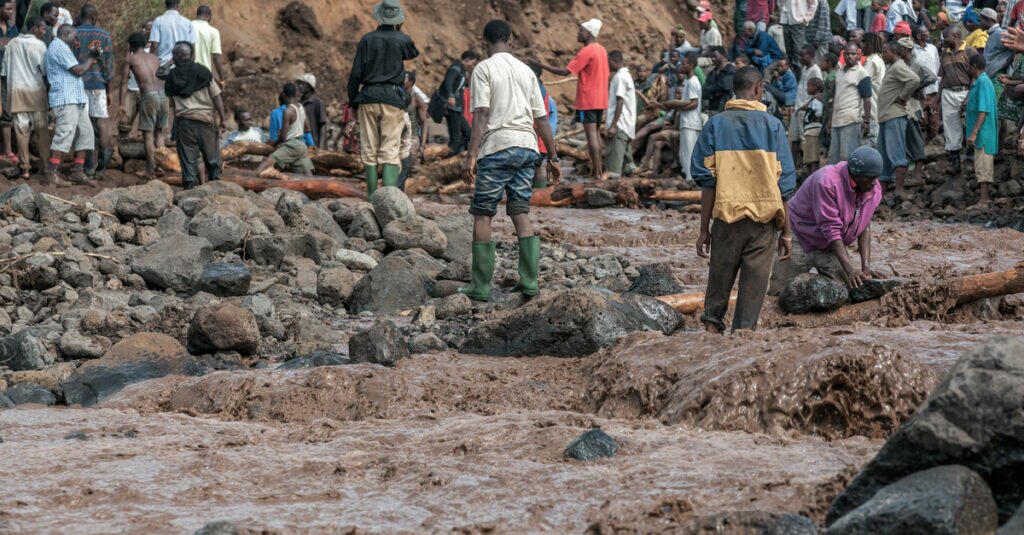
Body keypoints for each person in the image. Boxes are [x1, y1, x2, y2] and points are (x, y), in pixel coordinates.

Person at [458, 19, 560, 302]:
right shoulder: (527, 72)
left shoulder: (483, 68)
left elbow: (480, 113)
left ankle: (480, 286)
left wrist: (471, 155)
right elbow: (541, 118)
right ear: (511, 41)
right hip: (527, 148)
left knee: (483, 212)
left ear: (485, 43)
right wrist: (553, 157)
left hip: (498, 147)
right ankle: (529, 281)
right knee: (520, 211)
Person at [692, 66, 796, 333]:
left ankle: (710, 337)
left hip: (726, 220)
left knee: (717, 288)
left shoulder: (715, 124)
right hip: (763, 224)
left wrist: (704, 230)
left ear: (732, 92)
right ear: (759, 89)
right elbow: (784, 185)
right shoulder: (774, 126)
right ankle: (741, 343)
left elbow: (707, 181)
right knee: (751, 300)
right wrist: (786, 233)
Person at [768, 146, 884, 295]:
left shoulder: (873, 189)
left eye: (876, 177)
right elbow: (831, 229)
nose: (874, 182)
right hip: (800, 237)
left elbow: (865, 225)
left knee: (849, 290)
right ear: (856, 175)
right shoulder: (827, 182)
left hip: (830, 246)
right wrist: (849, 269)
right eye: (869, 178)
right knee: (778, 293)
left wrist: (865, 266)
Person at [346, 0, 419, 196]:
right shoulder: (402, 39)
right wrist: (399, 29)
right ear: (397, 19)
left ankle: (371, 197)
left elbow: (355, 74)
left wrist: (353, 101)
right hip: (392, 99)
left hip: (368, 97)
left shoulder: (367, 39)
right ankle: (387, 198)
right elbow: (413, 52)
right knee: (390, 151)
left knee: (369, 150)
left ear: (379, 16)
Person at [531, 19, 608, 180]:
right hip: (601, 99)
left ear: (588, 33)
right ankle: (597, 171)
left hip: (589, 99)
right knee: (596, 135)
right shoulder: (601, 50)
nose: (578, 33)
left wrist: (541, 65)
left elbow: (566, 71)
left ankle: (597, 173)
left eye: (581, 31)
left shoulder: (587, 51)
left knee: (591, 135)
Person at [158, 41, 225, 189]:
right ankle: (216, 189)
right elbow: (216, 97)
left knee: (188, 160)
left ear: (178, 55)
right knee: (213, 158)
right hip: (206, 121)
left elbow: (160, 73)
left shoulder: (172, 76)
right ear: (191, 55)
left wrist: (171, 63)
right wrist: (223, 118)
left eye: (174, 55)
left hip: (184, 123)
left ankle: (189, 190)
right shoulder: (203, 72)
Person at [44, 24, 98, 184]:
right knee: (65, 133)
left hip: (75, 98)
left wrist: (89, 59)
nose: (76, 40)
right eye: (75, 37)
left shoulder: (64, 48)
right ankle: (51, 174)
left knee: (86, 133)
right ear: (66, 33)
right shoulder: (58, 47)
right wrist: (91, 58)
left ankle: (77, 171)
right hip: (65, 99)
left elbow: (78, 69)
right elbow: (79, 70)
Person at [1, 15, 47, 178]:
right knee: (41, 129)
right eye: (42, 28)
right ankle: (45, 165)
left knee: (21, 130)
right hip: (36, 92)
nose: (44, 31)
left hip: (17, 91)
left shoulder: (12, 44)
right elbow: (45, 70)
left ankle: (25, 167)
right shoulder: (40, 45)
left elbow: (4, 72)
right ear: (34, 29)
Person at [875, 40, 920, 198]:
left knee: (896, 154)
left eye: (885, 51)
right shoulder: (892, 67)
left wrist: (902, 97)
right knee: (883, 155)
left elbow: (914, 79)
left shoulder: (899, 66)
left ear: (894, 53)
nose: (883, 54)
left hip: (894, 115)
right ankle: (883, 193)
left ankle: (899, 190)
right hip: (886, 116)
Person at [73, 4, 113, 176]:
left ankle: (88, 167)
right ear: (95, 17)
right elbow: (109, 65)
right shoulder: (104, 34)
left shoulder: (73, 34)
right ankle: (102, 167)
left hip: (77, 84)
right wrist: (109, 89)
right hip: (98, 85)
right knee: (101, 122)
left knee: (84, 125)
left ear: (81, 16)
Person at [120, 32, 166, 177]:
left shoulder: (131, 59)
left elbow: (123, 82)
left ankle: (150, 169)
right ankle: (161, 165)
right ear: (146, 43)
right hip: (163, 95)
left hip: (149, 96)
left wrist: (122, 103)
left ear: (131, 45)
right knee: (159, 133)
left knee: (148, 134)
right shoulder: (154, 57)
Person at [939, 26, 977, 174]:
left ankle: (971, 157)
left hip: (966, 90)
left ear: (956, 36)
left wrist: (969, 97)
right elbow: (942, 78)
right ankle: (956, 164)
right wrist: (937, 98)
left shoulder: (969, 51)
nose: (943, 39)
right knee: (951, 127)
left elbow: (975, 76)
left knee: (971, 123)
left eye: (946, 36)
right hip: (948, 93)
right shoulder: (944, 54)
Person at [827, 43, 873, 164]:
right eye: (847, 53)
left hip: (851, 119)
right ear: (843, 54)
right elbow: (835, 98)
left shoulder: (862, 73)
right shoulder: (839, 72)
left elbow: (867, 99)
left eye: (853, 54)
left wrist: (867, 121)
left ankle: (849, 182)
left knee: (847, 157)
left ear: (858, 55)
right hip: (837, 120)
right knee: (833, 158)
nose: (850, 56)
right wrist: (830, 119)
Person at [255, 82, 313, 177]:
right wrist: (311, 145)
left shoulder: (288, 111)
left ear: (285, 95)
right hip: (302, 146)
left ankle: (251, 185)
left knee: (263, 166)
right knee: (308, 176)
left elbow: (283, 137)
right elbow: (307, 129)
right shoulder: (302, 108)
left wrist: (275, 144)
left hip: (291, 145)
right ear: (296, 94)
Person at [660, 53, 701, 180]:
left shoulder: (693, 82)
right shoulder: (688, 81)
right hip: (686, 122)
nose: (681, 66)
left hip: (691, 123)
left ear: (691, 66)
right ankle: (689, 178)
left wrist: (675, 105)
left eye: (684, 63)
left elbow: (694, 104)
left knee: (689, 154)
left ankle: (691, 180)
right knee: (685, 154)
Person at [966, 54, 998, 208]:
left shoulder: (983, 82)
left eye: (968, 65)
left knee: (983, 166)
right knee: (981, 164)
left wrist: (974, 132)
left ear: (973, 66)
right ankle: (983, 199)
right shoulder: (980, 82)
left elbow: (983, 110)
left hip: (984, 134)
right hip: (983, 133)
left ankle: (984, 200)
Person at [438, 50, 479, 156]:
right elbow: (448, 80)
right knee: (455, 138)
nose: (472, 65)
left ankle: (459, 156)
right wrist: (451, 95)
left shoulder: (462, 70)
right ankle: (447, 161)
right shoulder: (456, 67)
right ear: (467, 60)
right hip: (452, 108)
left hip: (457, 109)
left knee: (468, 133)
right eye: (472, 63)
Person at [603, 50, 636, 179]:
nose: (607, 66)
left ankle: (611, 192)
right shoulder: (625, 75)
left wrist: (613, 125)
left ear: (614, 62)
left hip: (620, 124)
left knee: (614, 168)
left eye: (608, 63)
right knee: (628, 163)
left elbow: (620, 101)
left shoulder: (620, 77)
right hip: (626, 124)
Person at [117, 19, 151, 139]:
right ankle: (123, 148)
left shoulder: (154, 50)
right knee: (124, 123)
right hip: (131, 89)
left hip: (145, 92)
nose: (144, 30)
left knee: (147, 127)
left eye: (147, 28)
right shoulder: (133, 50)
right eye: (143, 27)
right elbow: (124, 77)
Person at [790, 44, 822, 162]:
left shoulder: (815, 70)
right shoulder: (804, 69)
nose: (800, 58)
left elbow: (818, 91)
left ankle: (807, 165)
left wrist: (806, 106)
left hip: (805, 109)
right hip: (798, 107)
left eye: (802, 56)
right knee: (795, 138)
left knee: (804, 139)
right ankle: (794, 165)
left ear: (810, 56)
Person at [914, 25, 941, 141]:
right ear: (919, 36)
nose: (929, 33)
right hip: (922, 91)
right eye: (926, 32)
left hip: (934, 90)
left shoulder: (932, 48)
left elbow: (937, 65)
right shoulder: (913, 51)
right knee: (922, 121)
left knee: (934, 121)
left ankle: (935, 147)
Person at [0, 0, 19, 164]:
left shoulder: (13, 29)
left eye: (12, 9)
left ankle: (7, 151)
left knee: (6, 112)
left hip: (7, 74)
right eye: (7, 9)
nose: (10, 12)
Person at [148, 0, 194, 66]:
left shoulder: (158, 21)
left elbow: (155, 45)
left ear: (166, 6)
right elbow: (192, 46)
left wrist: (152, 64)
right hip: (184, 66)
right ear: (178, 6)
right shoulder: (187, 22)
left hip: (164, 65)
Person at [862, 33, 886, 146]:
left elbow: (860, 79)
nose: (861, 45)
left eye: (863, 42)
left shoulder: (872, 61)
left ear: (869, 44)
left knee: (870, 145)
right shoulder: (878, 59)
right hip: (876, 109)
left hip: (871, 111)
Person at [191, 5, 223, 83]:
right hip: (204, 74)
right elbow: (216, 57)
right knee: (214, 94)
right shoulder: (213, 31)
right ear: (208, 16)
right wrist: (222, 79)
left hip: (188, 72)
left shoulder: (188, 26)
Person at [800, 77, 825, 176]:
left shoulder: (817, 100)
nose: (807, 89)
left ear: (815, 87)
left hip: (813, 132)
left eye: (809, 86)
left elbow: (819, 113)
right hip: (810, 132)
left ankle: (814, 179)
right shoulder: (814, 99)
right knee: (810, 158)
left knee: (813, 158)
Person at [295, 73, 327, 149]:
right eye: (299, 83)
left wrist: (321, 147)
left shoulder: (318, 103)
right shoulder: (299, 103)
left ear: (310, 86)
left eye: (303, 84)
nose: (300, 86)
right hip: (302, 144)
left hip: (315, 143)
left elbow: (323, 126)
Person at [701, 46, 736, 113]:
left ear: (723, 55)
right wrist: (716, 92)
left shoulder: (730, 70)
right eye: (711, 57)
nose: (712, 59)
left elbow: (725, 86)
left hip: (726, 109)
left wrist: (712, 90)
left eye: (715, 56)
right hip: (713, 108)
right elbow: (705, 91)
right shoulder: (712, 73)